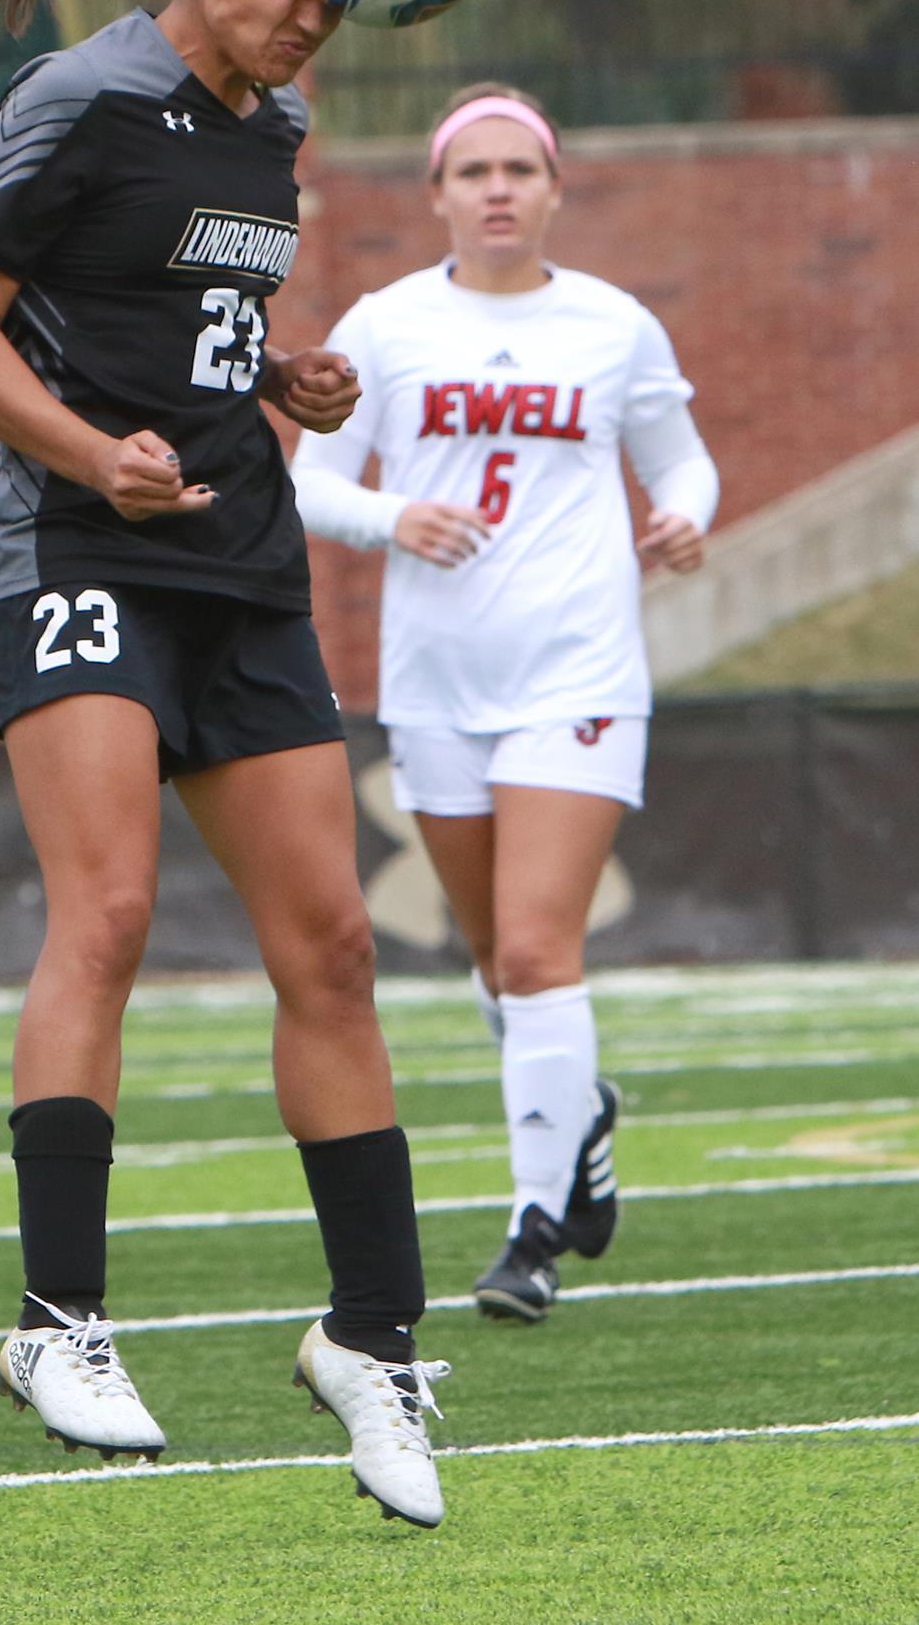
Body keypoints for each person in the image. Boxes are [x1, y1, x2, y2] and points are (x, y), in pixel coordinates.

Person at [0, 0, 450, 1526]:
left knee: (337, 945)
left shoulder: (274, 123)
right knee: (116, 915)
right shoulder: (73, 99)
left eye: (333, 8)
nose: (308, 26)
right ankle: (56, 1321)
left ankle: (370, 1341)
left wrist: (283, 378)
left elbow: (188, 310)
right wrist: (90, 456)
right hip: (74, 552)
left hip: (235, 557)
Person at [290, 82, 719, 1322]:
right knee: (495, 961)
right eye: (471, 171)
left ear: (551, 188)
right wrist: (395, 515)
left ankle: (533, 1228)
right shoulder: (386, 324)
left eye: (516, 170)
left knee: (537, 949)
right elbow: (312, 481)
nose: (495, 190)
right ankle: (578, 1116)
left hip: (579, 670)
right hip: (437, 684)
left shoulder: (611, 324)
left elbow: (675, 454)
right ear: (435, 194)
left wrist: (683, 511)